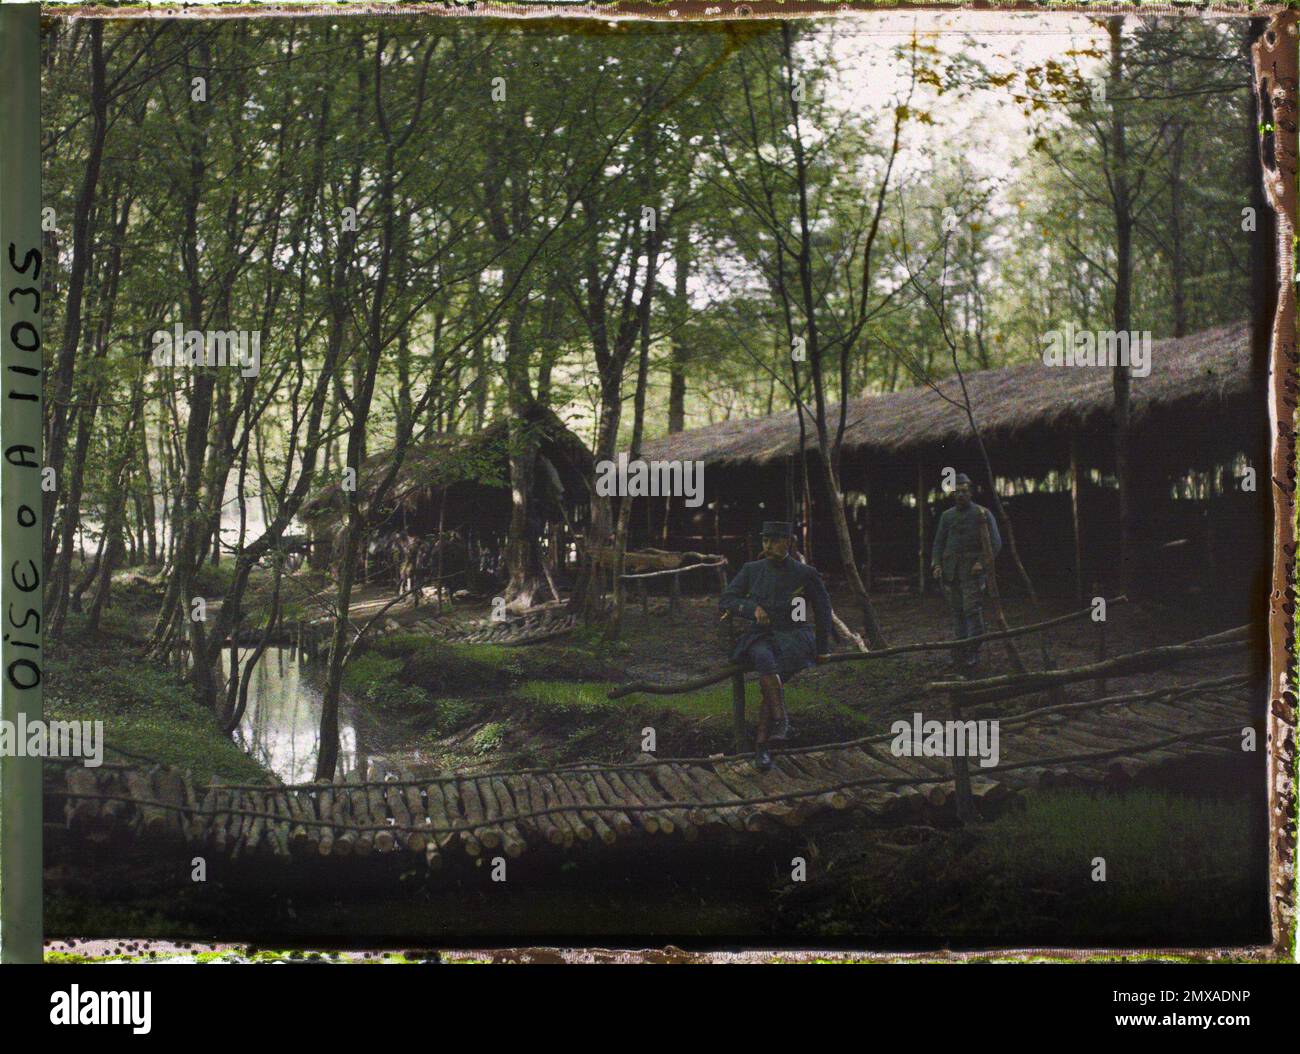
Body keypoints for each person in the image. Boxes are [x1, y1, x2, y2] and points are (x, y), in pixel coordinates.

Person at [720, 521, 833, 771]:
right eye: (764, 541)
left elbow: (823, 611)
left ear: (788, 542)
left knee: (770, 682)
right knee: (763, 658)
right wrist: (752, 609)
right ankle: (781, 722)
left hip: (795, 637)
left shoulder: (805, 573)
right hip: (762, 636)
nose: (768, 546)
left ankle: (762, 747)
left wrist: (823, 648)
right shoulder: (752, 569)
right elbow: (727, 599)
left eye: (774, 541)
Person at [930, 473, 1002, 672]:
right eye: (957, 492)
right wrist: (936, 564)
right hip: (950, 573)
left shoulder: (983, 514)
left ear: (971, 492)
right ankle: (960, 652)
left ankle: (973, 653)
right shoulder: (947, 516)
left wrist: (981, 562)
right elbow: (938, 543)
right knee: (957, 613)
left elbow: (995, 543)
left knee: (972, 612)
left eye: (964, 491)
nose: (960, 495)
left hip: (972, 573)